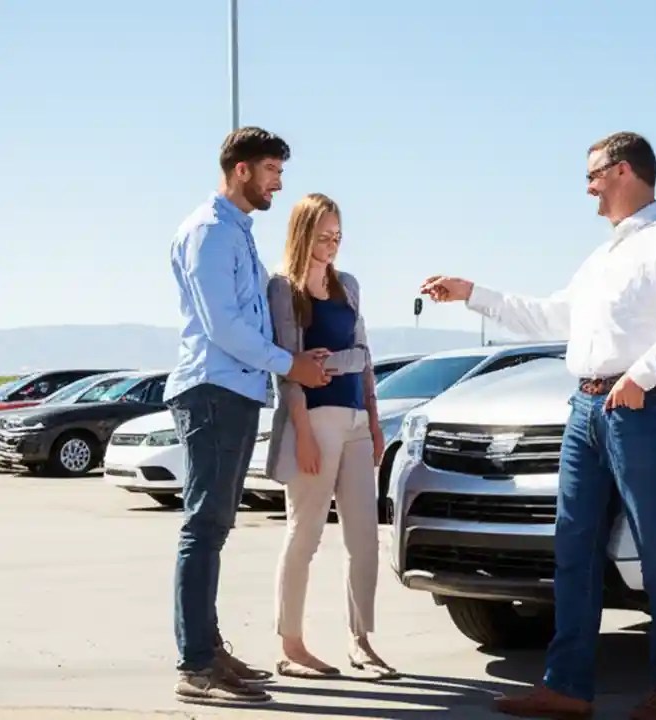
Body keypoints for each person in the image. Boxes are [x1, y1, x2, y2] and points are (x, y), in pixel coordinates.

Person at [421, 131, 656, 720]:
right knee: (573, 548)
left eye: (594, 174)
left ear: (625, 171)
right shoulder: (605, 255)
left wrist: (640, 377)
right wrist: (472, 294)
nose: (587, 186)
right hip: (585, 412)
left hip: (645, 408)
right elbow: (553, 314)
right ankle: (567, 687)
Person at [165, 126, 331, 706]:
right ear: (241, 170)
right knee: (203, 527)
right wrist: (289, 365)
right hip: (212, 390)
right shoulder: (211, 233)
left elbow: (255, 313)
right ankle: (195, 664)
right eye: (270, 172)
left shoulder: (236, 232)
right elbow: (224, 327)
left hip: (233, 392)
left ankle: (209, 650)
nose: (277, 184)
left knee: (215, 527)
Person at [264, 192, 397, 680]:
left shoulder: (349, 286)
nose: (332, 244)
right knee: (305, 534)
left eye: (338, 235)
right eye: (323, 236)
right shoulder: (283, 288)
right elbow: (290, 366)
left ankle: (360, 641)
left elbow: (364, 356)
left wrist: (376, 421)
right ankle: (292, 645)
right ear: (303, 233)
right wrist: (300, 432)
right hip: (313, 421)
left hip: (358, 422)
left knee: (364, 537)